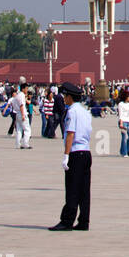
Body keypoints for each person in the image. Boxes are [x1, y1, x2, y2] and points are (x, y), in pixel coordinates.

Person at [49, 83, 92, 232]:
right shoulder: (86, 112)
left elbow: (70, 134)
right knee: (84, 190)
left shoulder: (72, 112)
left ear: (69, 97)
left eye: (65, 96)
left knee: (72, 188)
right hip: (86, 152)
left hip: (75, 153)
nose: (64, 99)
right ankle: (84, 221)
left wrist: (66, 155)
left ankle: (67, 221)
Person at [8, 85, 31, 149]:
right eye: (26, 88)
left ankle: (18, 144)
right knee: (27, 129)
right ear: (23, 89)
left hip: (17, 113)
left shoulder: (17, 95)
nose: (27, 90)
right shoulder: (22, 95)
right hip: (22, 113)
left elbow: (13, 103)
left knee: (19, 129)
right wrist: (23, 115)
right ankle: (25, 143)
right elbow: (21, 105)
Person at [116, 88, 129, 158]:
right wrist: (121, 123)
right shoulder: (120, 104)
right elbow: (120, 114)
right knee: (124, 137)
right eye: (128, 96)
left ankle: (123, 150)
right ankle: (124, 153)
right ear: (125, 97)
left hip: (128, 122)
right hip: (122, 122)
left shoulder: (128, 104)